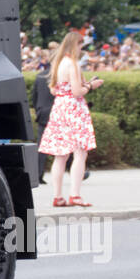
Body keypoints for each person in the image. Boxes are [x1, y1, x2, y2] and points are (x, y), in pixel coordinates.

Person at [37, 29, 102, 207]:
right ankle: (75, 194)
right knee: (80, 153)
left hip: (59, 107)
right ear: (76, 44)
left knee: (61, 155)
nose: (82, 48)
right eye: (81, 45)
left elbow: (53, 89)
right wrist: (91, 85)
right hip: (74, 109)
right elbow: (77, 91)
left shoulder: (58, 63)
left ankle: (58, 196)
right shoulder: (73, 64)